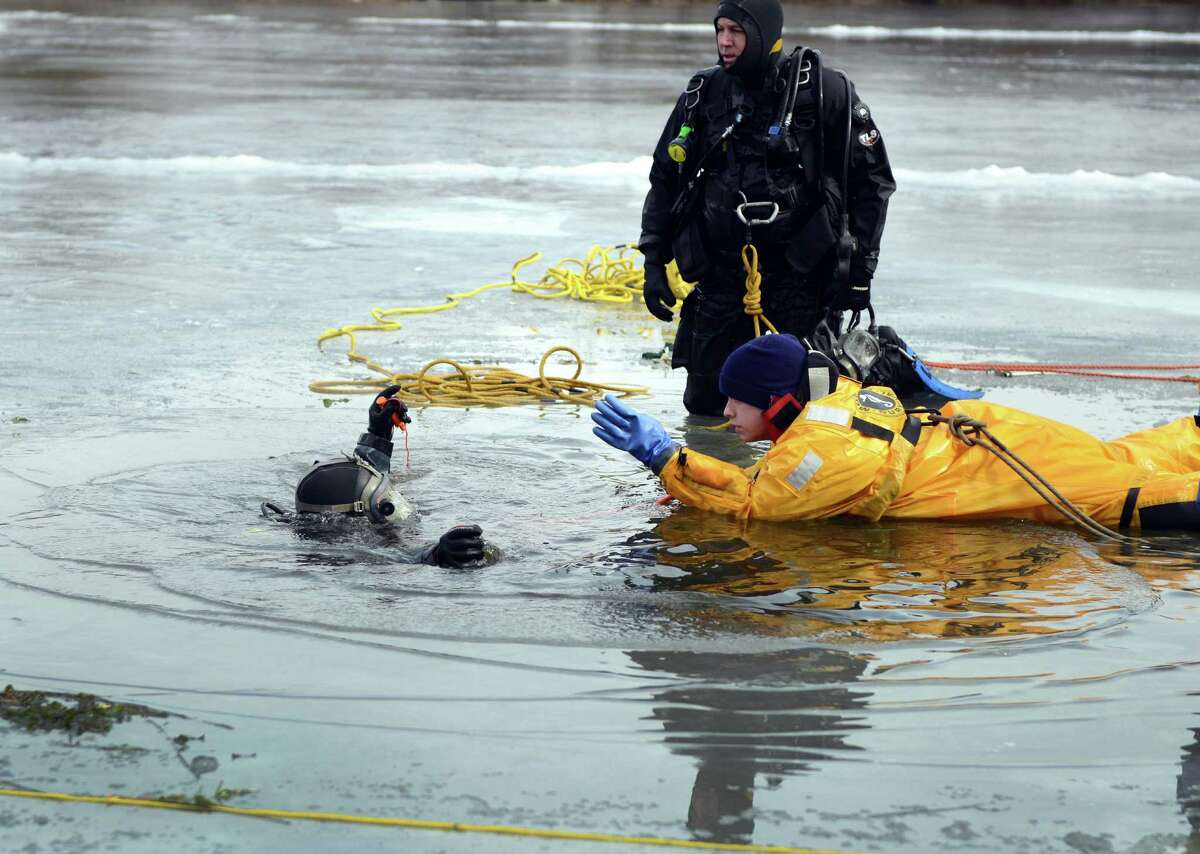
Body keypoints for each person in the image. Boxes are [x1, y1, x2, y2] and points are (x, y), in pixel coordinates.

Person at [592, 334, 1200, 530]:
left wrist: (665, 457)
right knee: (1128, 455)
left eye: (736, 402)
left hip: (998, 470)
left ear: (777, 403)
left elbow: (760, 502)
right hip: (996, 438)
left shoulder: (823, 452)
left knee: (1124, 497)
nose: (725, 414)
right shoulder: (836, 409)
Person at [639, 0, 895, 415]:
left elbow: (872, 183)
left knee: (802, 406)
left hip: (798, 277)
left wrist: (859, 273)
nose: (724, 41)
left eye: (736, 32)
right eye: (719, 29)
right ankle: (711, 473)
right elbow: (666, 179)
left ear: (763, 34)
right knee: (705, 403)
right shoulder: (703, 94)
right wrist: (653, 259)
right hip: (721, 275)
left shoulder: (825, 93)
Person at [262, 386, 489, 568]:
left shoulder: (325, 520)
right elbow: (399, 553)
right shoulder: (360, 537)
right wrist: (437, 554)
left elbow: (361, 485)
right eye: (386, 498)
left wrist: (377, 435)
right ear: (365, 512)